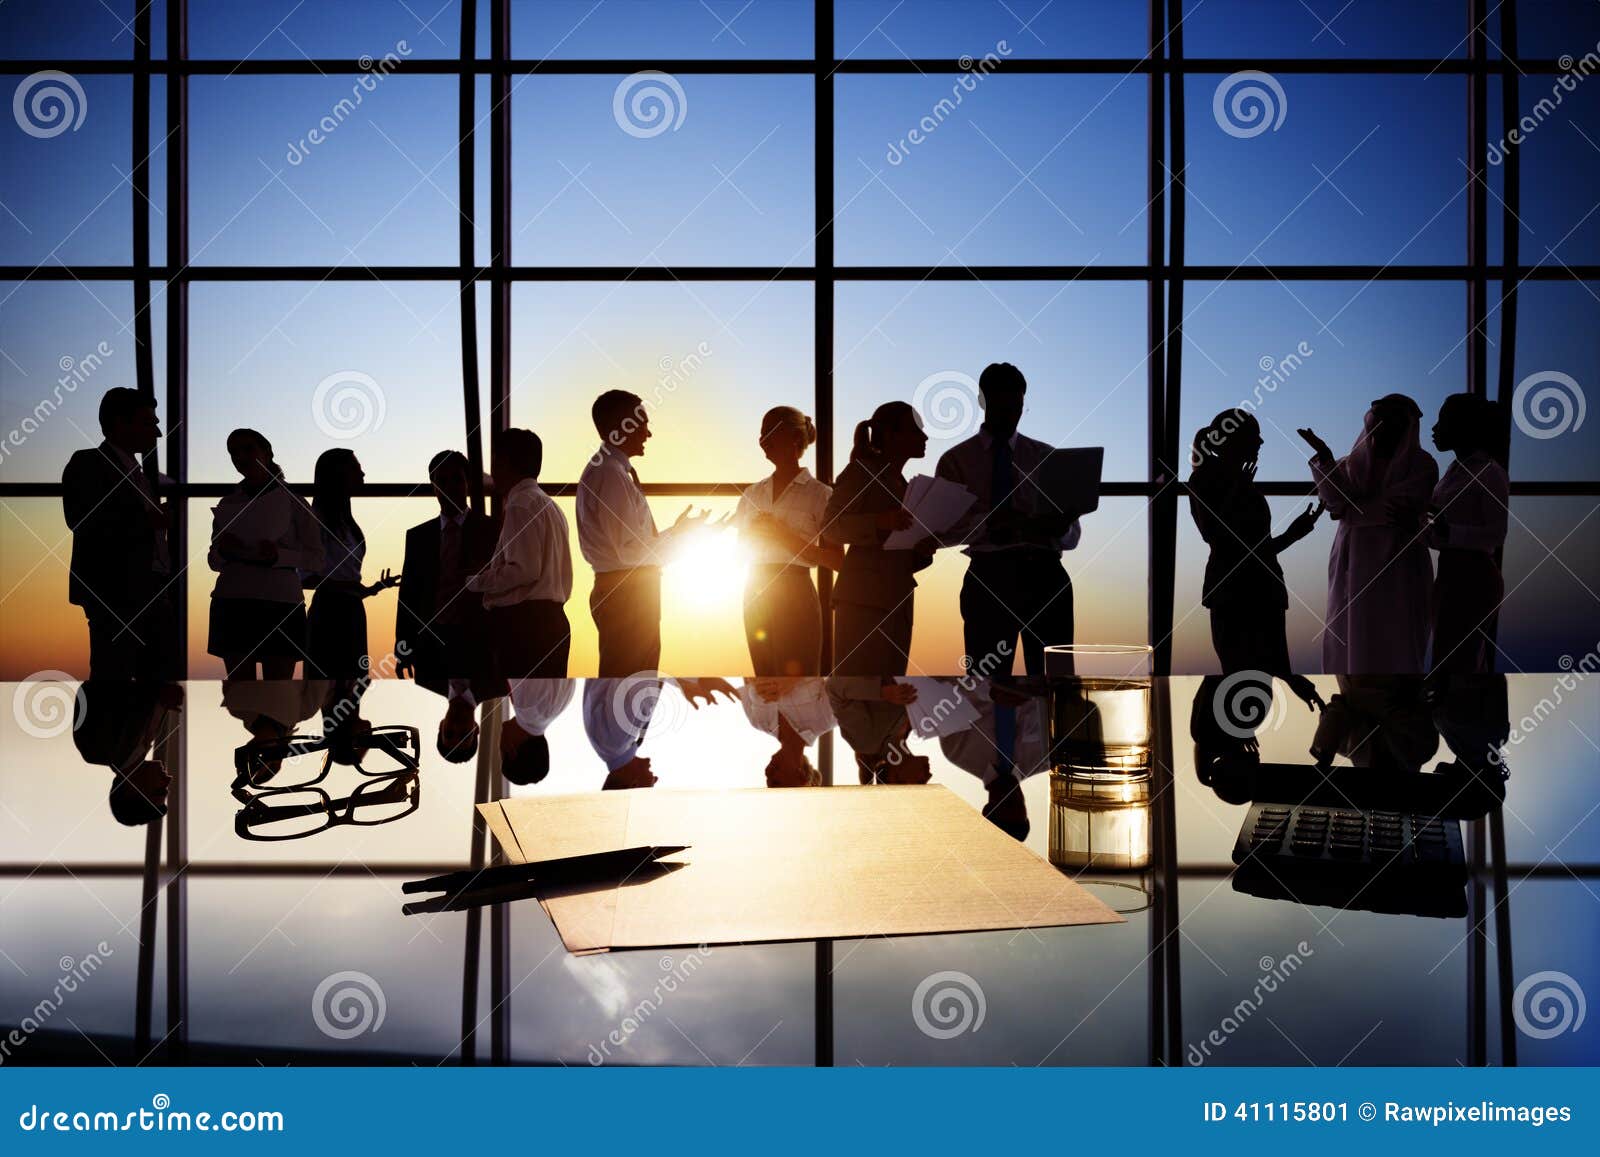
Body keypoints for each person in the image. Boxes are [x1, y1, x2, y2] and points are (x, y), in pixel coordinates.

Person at [934, 363, 1081, 676]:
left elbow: (1073, 536)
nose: (1012, 412)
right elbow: (942, 529)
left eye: (1017, 405)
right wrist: (993, 522)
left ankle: (1050, 725)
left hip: (1046, 576)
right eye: (1003, 405)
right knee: (986, 685)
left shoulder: (1047, 457)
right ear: (984, 402)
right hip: (991, 578)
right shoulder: (956, 461)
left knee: (1055, 682)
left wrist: (1062, 526)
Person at [1188, 409, 1324, 711]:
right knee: (1243, 685)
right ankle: (1223, 741)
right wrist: (1237, 489)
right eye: (1254, 435)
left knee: (1257, 688)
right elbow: (1215, 536)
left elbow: (1255, 553)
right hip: (1234, 594)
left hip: (1265, 592)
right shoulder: (1204, 480)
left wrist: (1293, 534)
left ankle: (1229, 741)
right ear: (1234, 440)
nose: (1261, 441)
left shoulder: (1241, 483)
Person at [1299, 395, 1437, 675]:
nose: (1383, 427)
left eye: (1392, 421)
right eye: (1379, 420)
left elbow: (1391, 510)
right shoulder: (1353, 463)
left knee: (1397, 634)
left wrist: (1350, 509)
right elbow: (1337, 503)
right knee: (1349, 631)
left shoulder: (1422, 465)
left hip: (1400, 564)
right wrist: (1325, 458)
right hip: (1352, 562)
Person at [576, 390, 709, 676]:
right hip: (627, 595)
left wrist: (678, 531)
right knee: (631, 680)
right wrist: (682, 540)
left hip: (626, 591)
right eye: (643, 423)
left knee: (631, 679)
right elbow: (631, 552)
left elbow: (631, 545)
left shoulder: (610, 471)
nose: (649, 433)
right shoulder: (611, 475)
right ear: (623, 425)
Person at [62, 388, 177, 679]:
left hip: (146, 589)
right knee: (115, 677)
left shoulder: (137, 474)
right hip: (116, 593)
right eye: (149, 423)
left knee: (142, 678)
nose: (158, 433)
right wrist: (148, 520)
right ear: (120, 423)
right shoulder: (88, 463)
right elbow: (81, 518)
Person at [823, 401, 932, 676]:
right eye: (916, 430)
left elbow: (897, 551)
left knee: (891, 681)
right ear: (892, 435)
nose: (925, 437)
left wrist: (923, 550)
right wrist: (879, 522)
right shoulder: (860, 473)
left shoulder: (904, 485)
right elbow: (831, 527)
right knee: (859, 681)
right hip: (863, 603)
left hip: (897, 600)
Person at [733, 407, 843, 676]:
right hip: (755, 592)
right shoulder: (752, 493)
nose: (763, 439)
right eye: (761, 432)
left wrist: (782, 535)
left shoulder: (821, 495)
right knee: (765, 681)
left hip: (796, 592)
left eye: (771, 431)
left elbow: (837, 560)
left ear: (795, 437)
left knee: (800, 683)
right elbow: (738, 551)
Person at [207, 429, 323, 679]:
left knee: (279, 697)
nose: (240, 457)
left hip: (279, 603)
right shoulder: (228, 503)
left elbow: (317, 559)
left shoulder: (295, 502)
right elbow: (213, 560)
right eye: (233, 452)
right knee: (242, 694)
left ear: (267, 452)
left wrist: (279, 556)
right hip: (233, 602)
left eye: (247, 449)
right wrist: (223, 552)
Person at [467, 428, 573, 678]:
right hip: (552, 623)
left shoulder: (520, 505)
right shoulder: (550, 506)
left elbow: (523, 571)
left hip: (524, 627)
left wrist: (474, 582)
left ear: (503, 463)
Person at [395, 450, 499, 693]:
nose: (449, 487)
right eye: (441, 481)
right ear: (433, 486)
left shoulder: (492, 530)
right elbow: (408, 595)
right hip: (431, 644)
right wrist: (404, 648)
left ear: (468, 483)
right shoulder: (418, 537)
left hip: (478, 642)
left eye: (455, 479)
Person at [1424, 394, 1509, 677]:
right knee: (1451, 661)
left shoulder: (1490, 473)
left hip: (1474, 579)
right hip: (1450, 575)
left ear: (1462, 426)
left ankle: (1461, 718)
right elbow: (1443, 531)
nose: (1434, 429)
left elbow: (1497, 533)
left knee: (1458, 664)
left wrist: (1448, 531)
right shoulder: (1454, 471)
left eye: (1442, 421)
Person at [301, 449, 396, 679]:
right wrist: (350, 588)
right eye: (355, 468)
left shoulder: (344, 521)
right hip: (329, 615)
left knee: (352, 679)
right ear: (338, 475)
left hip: (350, 611)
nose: (362, 473)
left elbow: (343, 579)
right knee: (330, 682)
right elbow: (305, 576)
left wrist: (371, 589)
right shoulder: (316, 520)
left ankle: (350, 716)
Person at [73, 680, 182, 826]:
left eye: (159, 790)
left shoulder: (95, 750)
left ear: (132, 792)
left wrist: (155, 690)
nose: (168, 780)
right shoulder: (150, 738)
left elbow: (92, 689)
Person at [738, 676, 835, 787]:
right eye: (776, 783)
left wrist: (754, 679)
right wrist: (795, 676)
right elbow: (840, 664)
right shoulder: (826, 718)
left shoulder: (758, 721)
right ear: (800, 775)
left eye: (767, 779)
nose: (767, 772)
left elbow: (746, 673)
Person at [499, 678, 577, 785]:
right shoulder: (526, 706)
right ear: (511, 750)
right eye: (501, 752)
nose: (499, 744)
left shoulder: (564, 702)